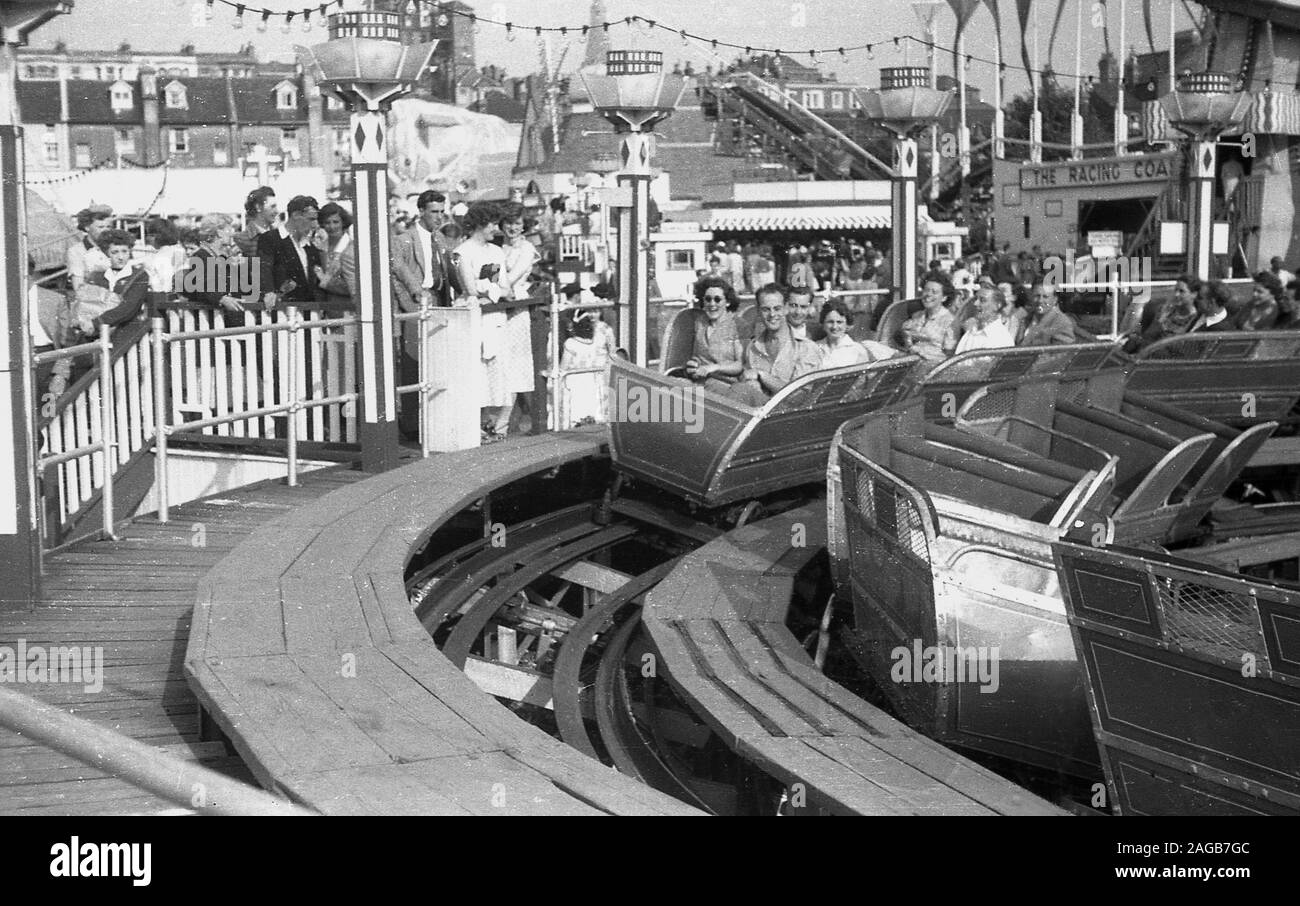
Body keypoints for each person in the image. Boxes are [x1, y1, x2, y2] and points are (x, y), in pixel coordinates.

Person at [457, 201, 531, 442]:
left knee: (498, 373)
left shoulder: (496, 252)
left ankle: (493, 427)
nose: (496, 229)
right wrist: (489, 288)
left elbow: (504, 287)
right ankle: (475, 426)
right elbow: (469, 289)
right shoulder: (462, 252)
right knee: (475, 373)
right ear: (480, 224)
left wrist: (487, 288)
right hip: (475, 320)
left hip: (495, 319)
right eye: (492, 224)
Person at [726, 284, 824, 407]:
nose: (772, 315)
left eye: (777, 308)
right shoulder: (753, 347)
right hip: (759, 414)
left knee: (740, 391)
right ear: (758, 311)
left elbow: (799, 398)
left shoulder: (807, 348)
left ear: (786, 309)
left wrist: (762, 375)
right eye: (766, 309)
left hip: (790, 417)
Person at [257, 195, 323, 309]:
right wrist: (268, 292)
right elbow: (263, 268)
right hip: (280, 312)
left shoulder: (311, 247)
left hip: (308, 314)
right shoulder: (270, 239)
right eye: (311, 219)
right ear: (296, 215)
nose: (315, 225)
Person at [680, 277, 744, 393]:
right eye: (708, 299)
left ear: (728, 302)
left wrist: (714, 367)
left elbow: (740, 365)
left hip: (727, 385)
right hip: (700, 382)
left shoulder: (737, 325)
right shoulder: (699, 323)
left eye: (717, 299)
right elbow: (695, 357)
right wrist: (692, 365)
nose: (712, 304)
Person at [85, 229, 153, 332]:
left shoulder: (140, 275)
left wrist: (97, 322)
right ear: (106, 253)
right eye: (115, 252)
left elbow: (129, 308)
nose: (120, 257)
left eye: (124, 251)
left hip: (127, 329)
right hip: (98, 330)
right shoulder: (97, 276)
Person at [178, 214, 247, 313]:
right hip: (211, 319)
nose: (232, 234)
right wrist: (221, 299)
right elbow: (202, 286)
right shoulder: (200, 256)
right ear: (219, 232)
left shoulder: (222, 256)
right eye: (229, 230)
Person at [1123, 275, 1200, 353]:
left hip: (1165, 359)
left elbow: (1180, 347)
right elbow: (1147, 336)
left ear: (1194, 294)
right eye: (1175, 290)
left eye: (1181, 291)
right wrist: (1160, 320)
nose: (1176, 294)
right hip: (1145, 352)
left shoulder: (1194, 320)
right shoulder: (1165, 311)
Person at [558, 312, 609, 426]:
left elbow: (564, 366)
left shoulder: (571, 343)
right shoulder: (593, 343)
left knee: (572, 413)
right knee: (588, 412)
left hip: (574, 382)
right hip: (590, 381)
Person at [816, 298, 895, 367]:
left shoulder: (858, 350)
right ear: (823, 324)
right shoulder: (815, 347)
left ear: (847, 324)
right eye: (830, 322)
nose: (834, 327)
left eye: (839, 322)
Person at [899, 278, 957, 363]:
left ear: (944, 298)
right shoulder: (917, 315)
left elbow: (949, 358)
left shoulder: (950, 321)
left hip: (932, 367)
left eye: (934, 292)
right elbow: (907, 343)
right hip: (910, 361)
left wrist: (920, 352)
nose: (928, 294)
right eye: (926, 290)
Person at [313, 202, 356, 310]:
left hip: (348, 309)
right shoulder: (319, 248)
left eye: (336, 222)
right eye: (327, 222)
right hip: (325, 310)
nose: (332, 227)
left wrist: (325, 281)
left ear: (343, 223)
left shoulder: (352, 249)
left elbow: (353, 286)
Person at [954, 287, 1015, 354]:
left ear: (997, 306)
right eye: (976, 299)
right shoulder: (972, 331)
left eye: (982, 300)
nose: (975, 303)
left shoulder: (1001, 339)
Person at [66, 204, 113, 290]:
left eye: (108, 227)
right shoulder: (76, 251)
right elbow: (78, 287)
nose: (106, 231)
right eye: (101, 227)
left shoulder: (116, 247)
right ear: (87, 227)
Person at [499, 205, 539, 301]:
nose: (513, 228)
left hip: (516, 299)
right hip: (496, 298)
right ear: (502, 224)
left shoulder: (527, 249)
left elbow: (511, 278)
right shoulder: (497, 248)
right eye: (509, 223)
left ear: (524, 226)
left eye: (517, 223)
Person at [233, 187, 277, 258]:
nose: (276, 211)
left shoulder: (280, 237)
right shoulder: (240, 240)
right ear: (258, 207)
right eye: (272, 207)